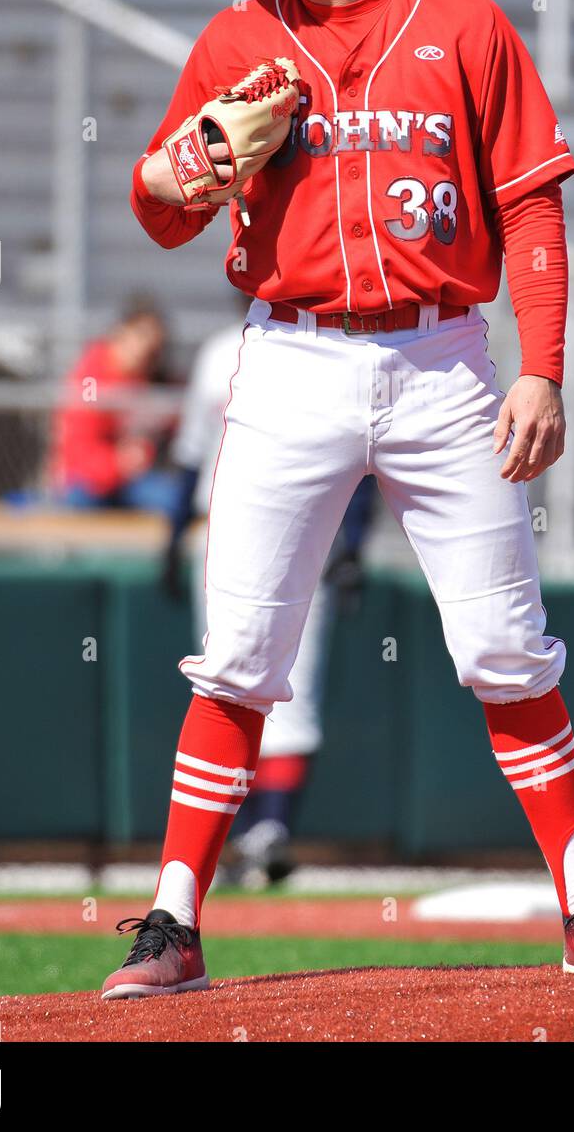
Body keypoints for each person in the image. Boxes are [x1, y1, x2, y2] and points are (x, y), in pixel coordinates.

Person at [102, 0, 574, 999]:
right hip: (292, 357)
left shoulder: (465, 25)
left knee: (509, 646)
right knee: (241, 658)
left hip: (444, 361)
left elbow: (531, 210)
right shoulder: (236, 37)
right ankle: (172, 920)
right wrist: (179, 176)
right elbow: (160, 210)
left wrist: (541, 366)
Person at [162, 312, 377, 885]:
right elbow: (190, 452)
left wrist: (353, 543)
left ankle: (269, 831)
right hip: (224, 528)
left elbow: (366, 455)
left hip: (309, 531)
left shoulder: (338, 344)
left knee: (288, 689)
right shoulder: (217, 350)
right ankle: (248, 838)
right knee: (230, 680)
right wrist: (172, 533)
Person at [49, 296, 177, 515]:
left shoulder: (149, 378)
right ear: (120, 333)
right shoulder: (90, 376)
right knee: (80, 500)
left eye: (154, 351)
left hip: (131, 482)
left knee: (174, 498)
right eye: (140, 338)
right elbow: (79, 448)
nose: (144, 352)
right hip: (88, 483)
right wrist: (118, 462)